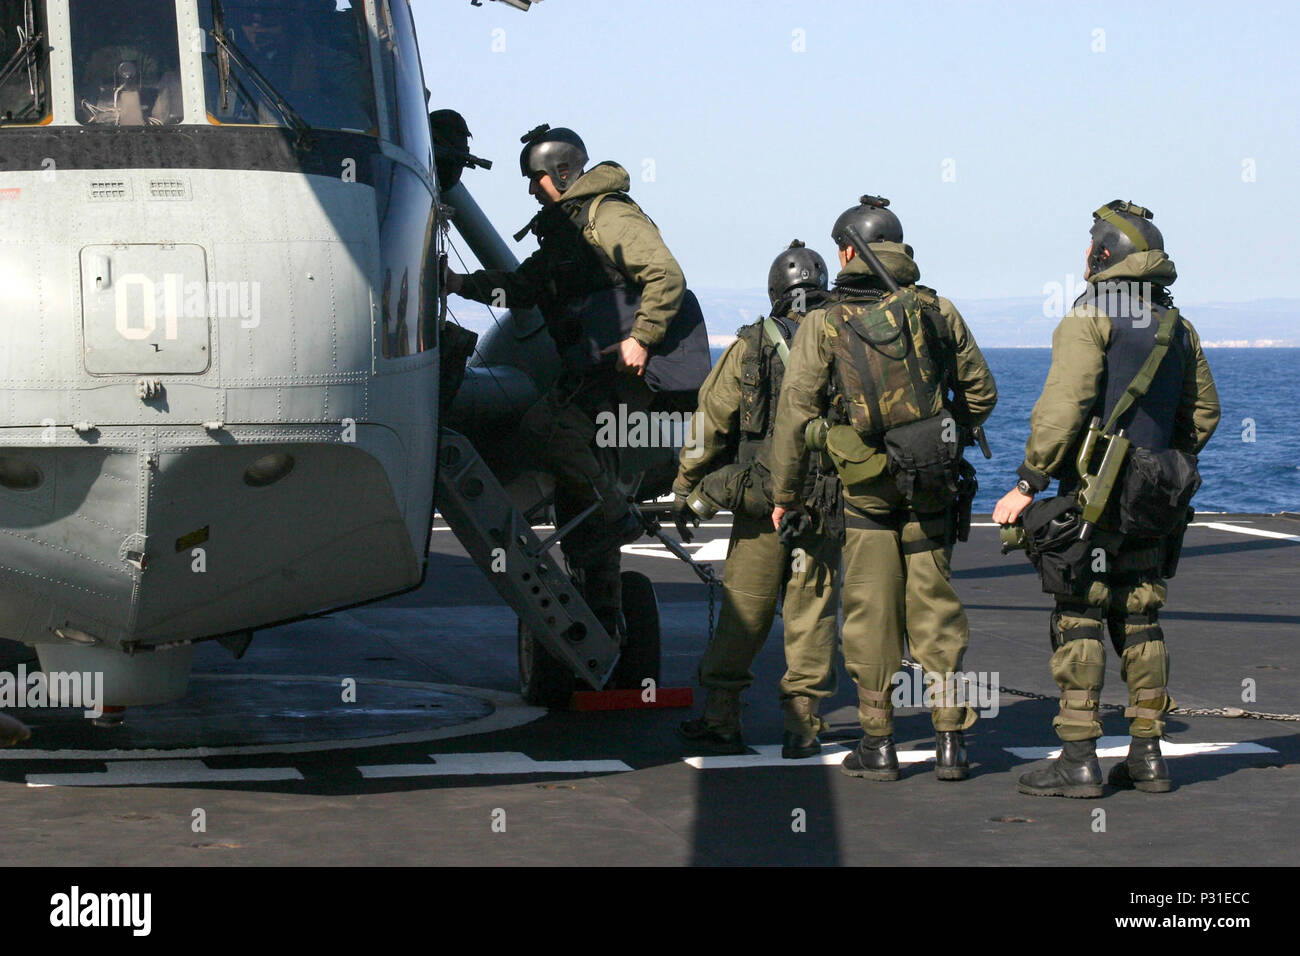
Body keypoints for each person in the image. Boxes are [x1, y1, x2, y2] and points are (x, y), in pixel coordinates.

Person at [994, 200, 1220, 797]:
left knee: (1082, 612)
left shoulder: (1089, 318)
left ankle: (1078, 758)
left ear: (1102, 256)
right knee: (1142, 615)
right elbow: (1203, 414)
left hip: (1093, 502)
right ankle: (1147, 755)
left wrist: (1027, 484)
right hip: (1155, 495)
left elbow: (1062, 410)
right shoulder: (1178, 327)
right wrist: (1161, 464)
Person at [768, 196, 997, 781]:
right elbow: (981, 393)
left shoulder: (823, 322)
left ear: (847, 251)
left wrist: (786, 493)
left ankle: (878, 743)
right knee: (935, 608)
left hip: (865, 487)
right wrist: (948, 432)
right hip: (931, 481)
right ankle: (951, 741)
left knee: (869, 614)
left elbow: (795, 415)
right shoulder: (936, 310)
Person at [446, 125, 687, 635]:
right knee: (581, 492)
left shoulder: (608, 216)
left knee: (547, 432)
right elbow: (521, 287)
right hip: (592, 370)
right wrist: (459, 284)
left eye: (535, 178)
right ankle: (605, 612)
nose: (532, 189)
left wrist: (642, 338)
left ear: (560, 172)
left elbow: (665, 273)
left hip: (621, 372)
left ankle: (619, 514)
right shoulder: (567, 232)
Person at [674, 242, 842, 757]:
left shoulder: (750, 345)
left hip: (762, 497)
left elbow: (711, 420)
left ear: (775, 291)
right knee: (812, 613)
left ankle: (722, 718)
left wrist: (686, 486)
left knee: (744, 610)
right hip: (824, 500)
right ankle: (803, 726)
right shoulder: (847, 338)